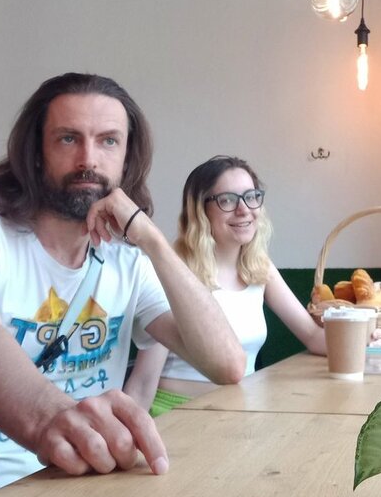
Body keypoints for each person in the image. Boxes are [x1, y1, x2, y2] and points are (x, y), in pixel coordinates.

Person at [0, 74, 245, 493]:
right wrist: (55, 419)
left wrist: (152, 240)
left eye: (108, 141)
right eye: (68, 139)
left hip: (96, 482)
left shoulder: (130, 260)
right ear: (36, 154)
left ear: (127, 159)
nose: (88, 159)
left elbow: (226, 364)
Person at [126, 155, 328, 414]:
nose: (244, 209)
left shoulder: (259, 267)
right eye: (228, 200)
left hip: (241, 411)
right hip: (177, 411)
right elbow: (143, 382)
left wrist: (364, 335)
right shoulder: (175, 271)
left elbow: (312, 336)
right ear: (200, 210)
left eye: (251, 196)